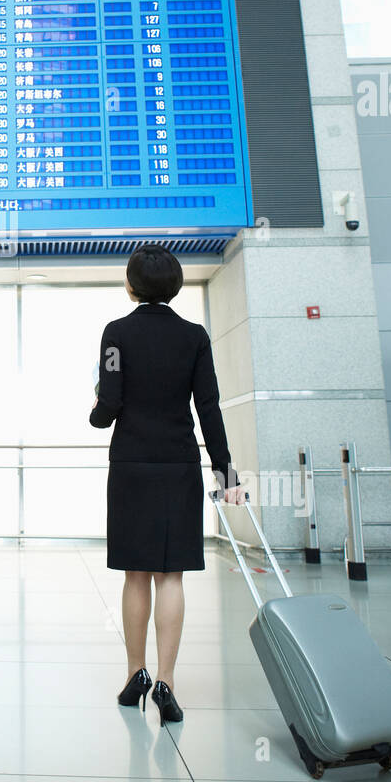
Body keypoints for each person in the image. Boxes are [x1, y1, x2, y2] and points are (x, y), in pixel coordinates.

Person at [89, 243, 244, 725]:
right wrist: (225, 472)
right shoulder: (194, 336)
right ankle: (166, 682)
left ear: (132, 286)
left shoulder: (116, 334)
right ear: (174, 287)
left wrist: (97, 409)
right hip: (178, 465)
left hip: (132, 464)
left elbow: (108, 406)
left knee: (135, 572)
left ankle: (134, 673)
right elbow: (209, 407)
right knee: (170, 575)